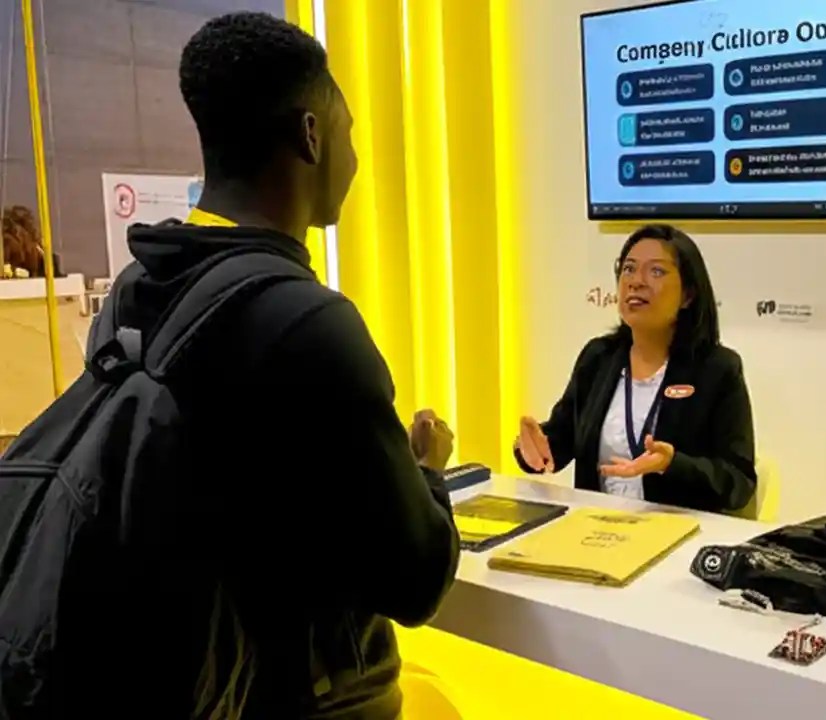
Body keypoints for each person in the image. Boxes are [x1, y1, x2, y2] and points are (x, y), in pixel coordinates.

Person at [108, 13, 457, 718]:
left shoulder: (132, 293)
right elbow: (415, 582)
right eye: (351, 133)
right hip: (304, 695)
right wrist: (426, 470)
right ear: (311, 136)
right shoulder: (309, 323)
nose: (355, 160)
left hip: (172, 681)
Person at [515, 224, 757, 512]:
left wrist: (673, 464)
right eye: (628, 269)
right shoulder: (598, 358)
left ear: (688, 295)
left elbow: (739, 481)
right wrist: (532, 450)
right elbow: (560, 441)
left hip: (676, 533)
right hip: (595, 528)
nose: (636, 281)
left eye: (656, 271)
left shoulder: (716, 370)